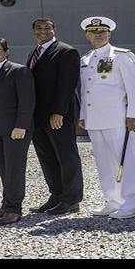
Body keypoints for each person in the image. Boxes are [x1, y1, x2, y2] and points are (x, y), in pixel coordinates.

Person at [77, 17, 135, 219]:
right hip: (95, 119)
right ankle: (113, 200)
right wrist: (83, 115)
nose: (98, 35)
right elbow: (86, 91)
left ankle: (132, 204)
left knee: (127, 161)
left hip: (118, 119)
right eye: (94, 32)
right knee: (104, 163)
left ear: (109, 34)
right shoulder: (86, 59)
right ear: (87, 35)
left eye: (102, 31)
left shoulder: (122, 56)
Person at [25, 18, 83, 215]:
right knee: (47, 157)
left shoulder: (66, 51)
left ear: (54, 29)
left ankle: (72, 199)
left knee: (66, 155)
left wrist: (59, 112)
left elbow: (68, 84)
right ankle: (56, 195)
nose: (43, 31)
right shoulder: (34, 52)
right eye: (38, 28)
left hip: (58, 115)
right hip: (38, 115)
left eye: (47, 28)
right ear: (33, 31)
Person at [0, 37, 35, 225]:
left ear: (6, 52)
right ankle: (6, 203)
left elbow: (27, 100)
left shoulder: (19, 71)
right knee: (3, 169)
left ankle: (14, 209)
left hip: (15, 129)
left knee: (14, 169)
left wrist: (21, 125)